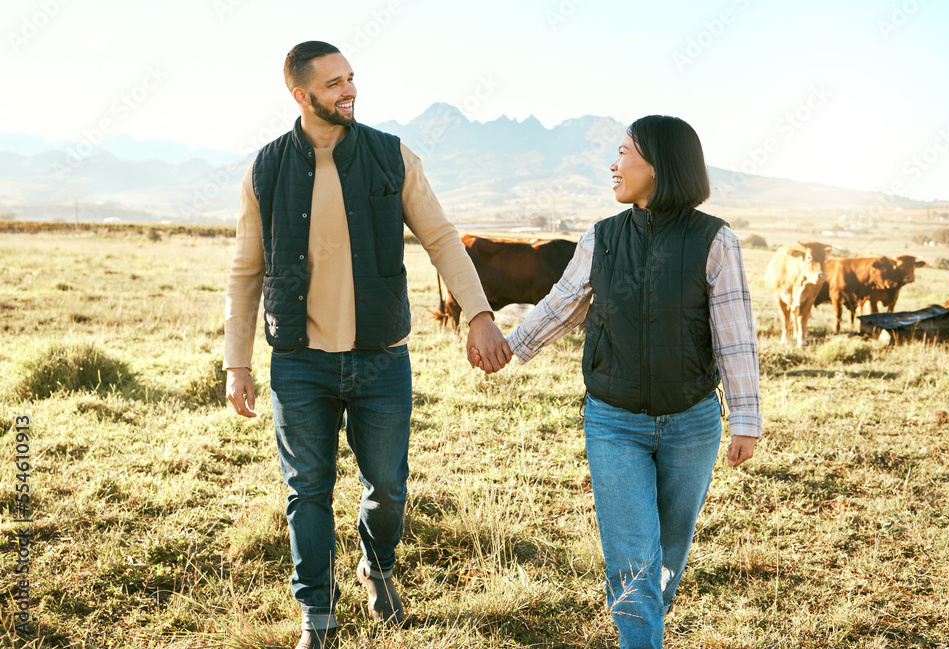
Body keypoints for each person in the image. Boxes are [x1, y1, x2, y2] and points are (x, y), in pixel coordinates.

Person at [224, 41, 512, 649]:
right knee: (308, 490)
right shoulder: (267, 169)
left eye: (351, 78)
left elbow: (440, 237)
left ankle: (376, 566)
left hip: (381, 358)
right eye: (333, 83)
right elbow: (245, 271)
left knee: (387, 488)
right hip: (299, 363)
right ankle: (317, 617)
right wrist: (237, 362)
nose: (348, 90)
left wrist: (480, 313)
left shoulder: (391, 156)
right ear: (300, 96)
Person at [475, 115, 761, 649]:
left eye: (624, 152)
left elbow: (735, 334)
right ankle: (641, 639)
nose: (613, 164)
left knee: (668, 552)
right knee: (633, 552)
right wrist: (506, 347)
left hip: (692, 424)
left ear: (660, 165)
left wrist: (745, 419)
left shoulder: (714, 240)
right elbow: (561, 305)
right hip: (613, 421)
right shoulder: (601, 238)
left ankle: (646, 621)